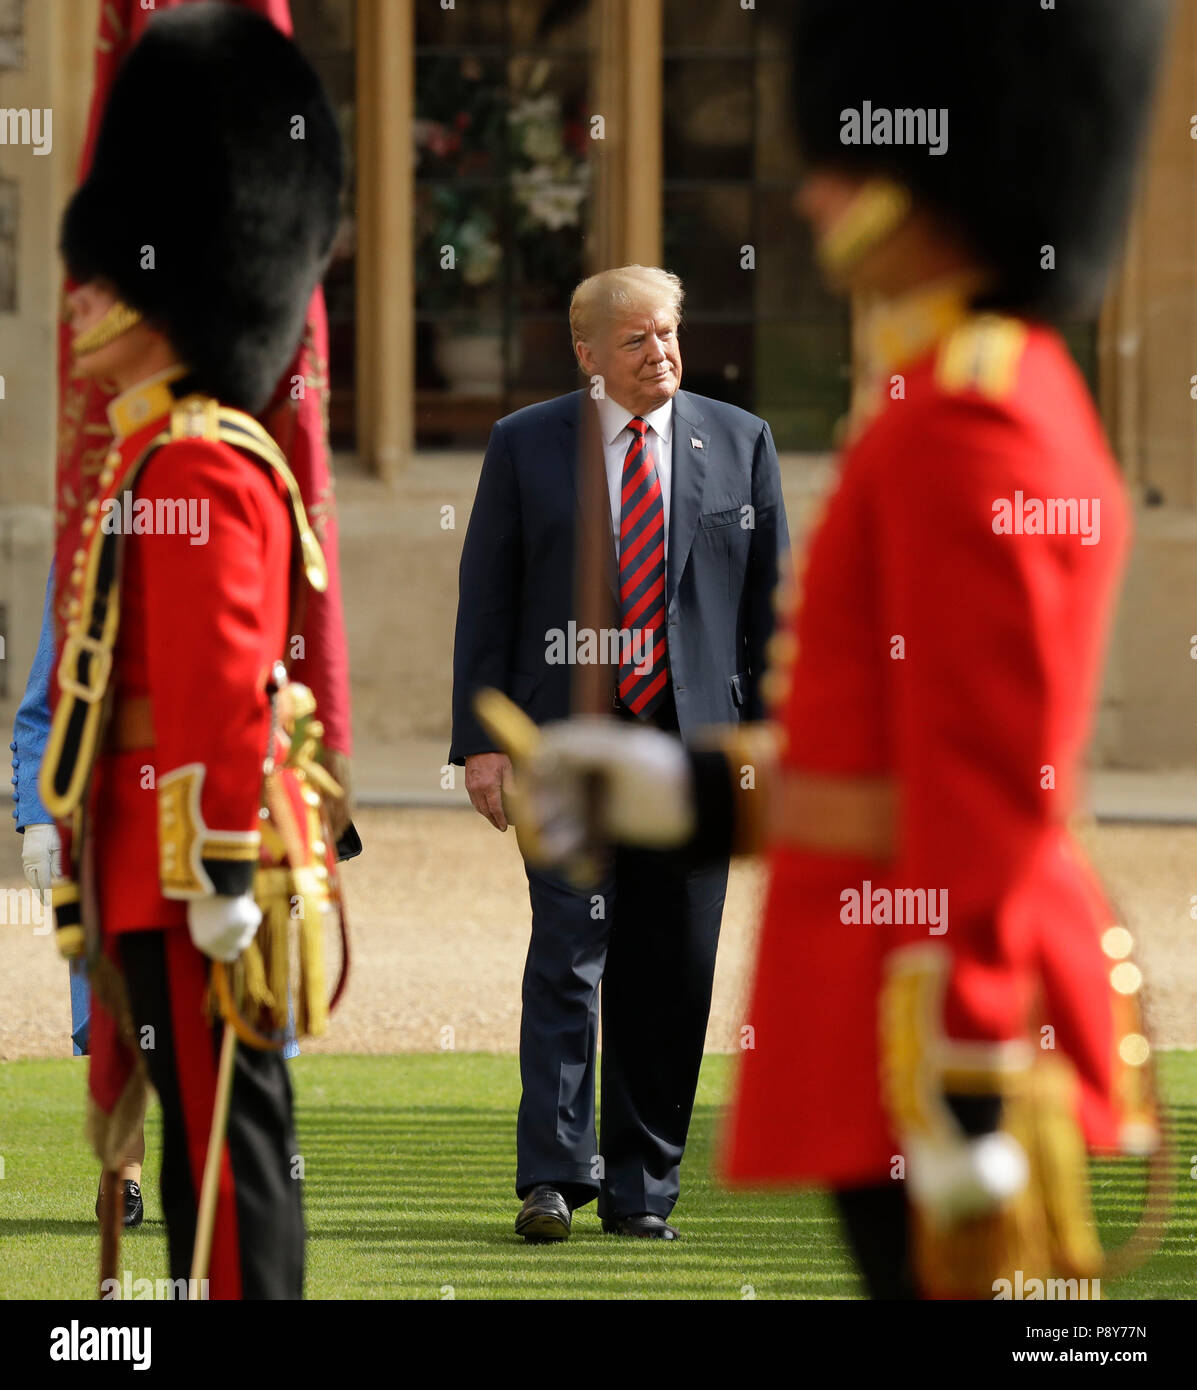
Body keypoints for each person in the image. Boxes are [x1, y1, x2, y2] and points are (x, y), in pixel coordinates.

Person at [494, 0, 1167, 1296]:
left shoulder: (973, 423)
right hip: (902, 1010)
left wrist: (969, 1074)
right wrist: (678, 793)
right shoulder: (960, 396)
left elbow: (983, 798)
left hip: (943, 1033)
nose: (813, 195)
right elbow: (874, 754)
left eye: (853, 162)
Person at [41, 2, 343, 1298]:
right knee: (200, 1160)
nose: (87, 305)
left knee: (230, 1159)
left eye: (111, 283)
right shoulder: (155, 452)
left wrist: (223, 867)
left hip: (191, 877)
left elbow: (222, 686)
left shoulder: (201, 461)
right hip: (146, 873)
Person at [450, 265, 790, 1241]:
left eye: (672, 333)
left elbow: (770, 619)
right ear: (588, 354)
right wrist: (481, 744)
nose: (663, 354)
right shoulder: (525, 446)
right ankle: (554, 1176)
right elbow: (490, 597)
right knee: (567, 955)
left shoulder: (740, 441)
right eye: (638, 340)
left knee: (673, 969)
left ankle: (644, 1191)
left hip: (696, 755)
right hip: (565, 747)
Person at [12, 565, 146, 1227]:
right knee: (115, 1005)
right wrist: (39, 813)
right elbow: (46, 703)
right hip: (113, 814)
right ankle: (122, 1172)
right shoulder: (89, 552)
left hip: (219, 808)